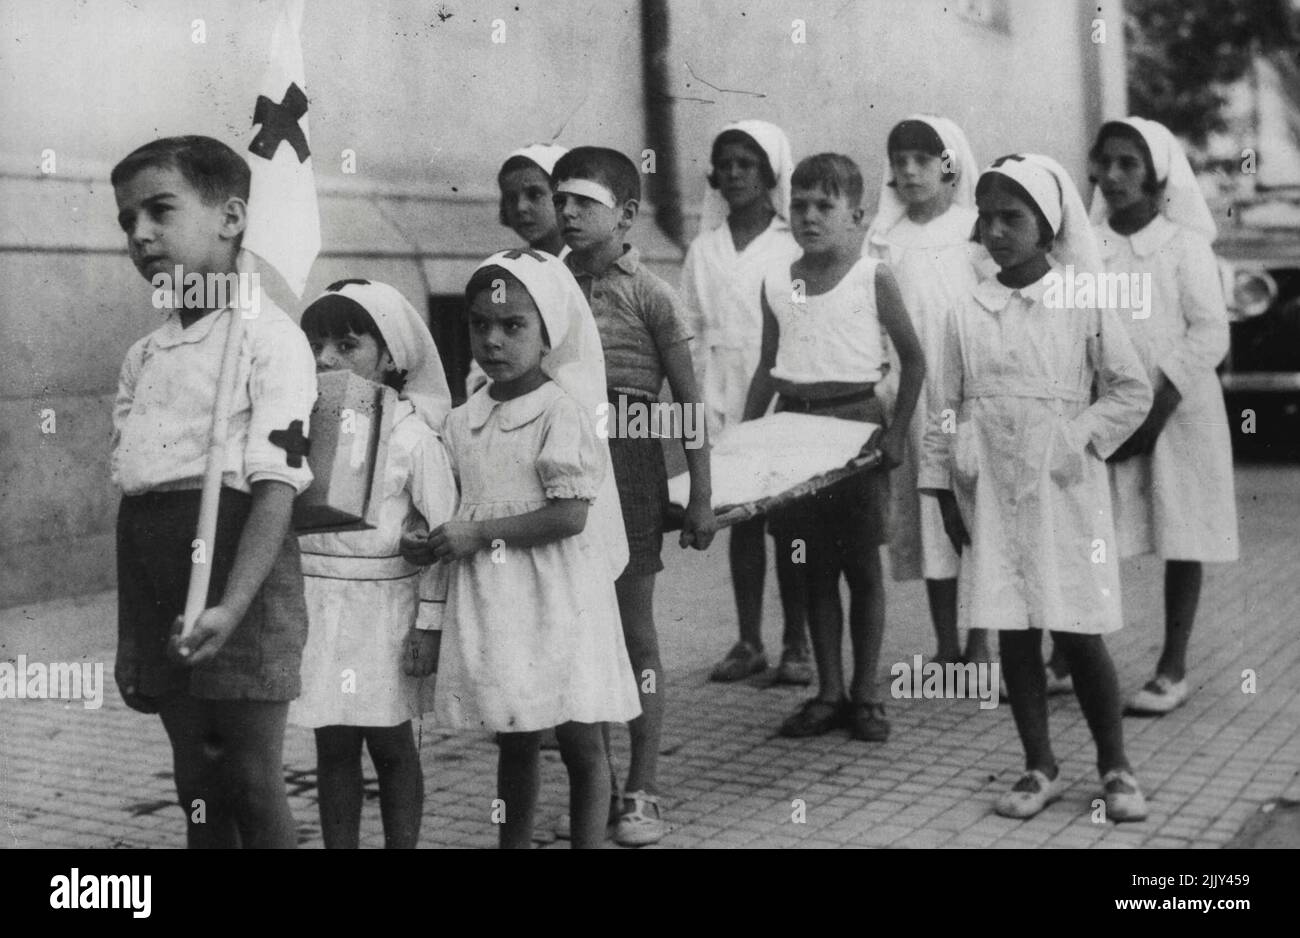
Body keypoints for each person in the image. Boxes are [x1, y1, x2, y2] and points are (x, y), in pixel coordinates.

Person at [919, 153, 1153, 820]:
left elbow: (1129, 392)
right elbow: (943, 406)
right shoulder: (964, 309)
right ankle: (1037, 763)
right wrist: (943, 496)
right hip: (988, 487)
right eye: (986, 217)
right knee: (1012, 628)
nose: (995, 230)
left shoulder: (1083, 301)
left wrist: (1074, 437)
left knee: (1075, 626)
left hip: (1063, 488)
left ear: (1048, 225)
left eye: (1012, 217)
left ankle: (1116, 765)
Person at [110, 136, 317, 847]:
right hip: (164, 587)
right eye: (127, 221)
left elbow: (275, 491)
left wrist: (231, 606)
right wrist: (133, 636)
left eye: (160, 211)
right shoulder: (145, 355)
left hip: (241, 585)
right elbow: (134, 504)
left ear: (231, 218)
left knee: (251, 783)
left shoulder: (268, 339)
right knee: (197, 782)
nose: (140, 235)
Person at [408, 248, 641, 849]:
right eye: (481, 324)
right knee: (512, 730)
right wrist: (431, 537)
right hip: (498, 597)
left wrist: (479, 534)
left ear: (547, 335)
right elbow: (455, 506)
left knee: (578, 737)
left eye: (513, 326)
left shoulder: (560, 412)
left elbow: (568, 515)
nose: (493, 340)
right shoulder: (463, 421)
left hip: (557, 594)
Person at [1043, 118, 1239, 714]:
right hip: (1107, 414)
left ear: (1157, 176)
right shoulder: (1084, 247)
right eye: (1106, 163)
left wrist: (1154, 412)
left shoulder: (1184, 246)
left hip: (1179, 412)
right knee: (1091, 530)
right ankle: (1067, 658)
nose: (1115, 176)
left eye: (1131, 164)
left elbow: (1210, 333)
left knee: (1181, 531)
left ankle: (1171, 667)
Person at [552, 146, 716, 845]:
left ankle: (643, 787)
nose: (565, 213)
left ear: (625, 215)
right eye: (560, 200)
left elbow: (688, 402)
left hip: (631, 459)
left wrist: (702, 495)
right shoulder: (548, 285)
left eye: (581, 202)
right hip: (563, 460)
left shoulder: (652, 293)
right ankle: (599, 783)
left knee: (633, 630)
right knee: (572, 626)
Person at [745, 153, 925, 743]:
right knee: (812, 568)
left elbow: (914, 358)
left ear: (859, 215)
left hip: (857, 432)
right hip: (795, 431)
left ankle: (867, 693)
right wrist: (746, 441)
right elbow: (769, 369)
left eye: (826, 205)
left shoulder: (873, 276)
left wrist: (895, 432)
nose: (810, 216)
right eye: (799, 204)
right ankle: (828, 690)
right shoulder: (776, 279)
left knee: (862, 567)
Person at [290, 280, 457, 848]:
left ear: (389, 357)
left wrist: (429, 625)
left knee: (390, 745)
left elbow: (441, 536)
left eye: (346, 344)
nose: (325, 358)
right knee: (332, 745)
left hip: (384, 611)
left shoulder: (413, 436)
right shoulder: (304, 430)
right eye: (317, 345)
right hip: (320, 608)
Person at [681, 120, 810, 685]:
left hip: (779, 385)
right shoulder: (704, 247)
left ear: (770, 173)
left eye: (746, 164)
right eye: (724, 164)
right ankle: (749, 639)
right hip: (720, 391)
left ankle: (798, 644)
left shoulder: (790, 244)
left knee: (790, 521)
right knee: (742, 522)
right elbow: (688, 327)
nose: (733, 174)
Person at [865, 115, 993, 667]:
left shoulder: (976, 230)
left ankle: (983, 641)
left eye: (924, 159)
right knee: (930, 513)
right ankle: (946, 645)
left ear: (950, 165)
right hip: (911, 398)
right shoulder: (884, 241)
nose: (911, 170)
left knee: (979, 514)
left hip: (971, 393)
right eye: (901, 160)